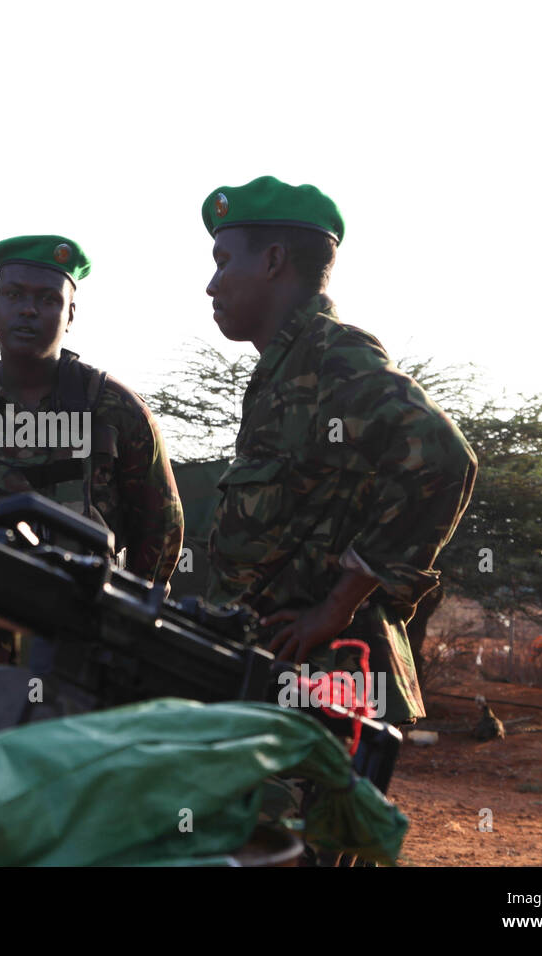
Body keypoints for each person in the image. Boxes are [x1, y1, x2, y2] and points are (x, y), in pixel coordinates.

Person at [201, 177, 477, 726]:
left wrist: (336, 606)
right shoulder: (287, 366)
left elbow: (445, 456)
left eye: (224, 261)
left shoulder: (334, 353)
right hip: (289, 675)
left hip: (330, 678)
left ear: (274, 260)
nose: (212, 285)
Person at [0, 234, 184, 686]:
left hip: (79, 649)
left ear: (70, 313)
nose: (29, 310)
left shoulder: (115, 407)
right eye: (14, 296)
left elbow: (162, 525)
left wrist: (125, 622)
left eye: (48, 299)